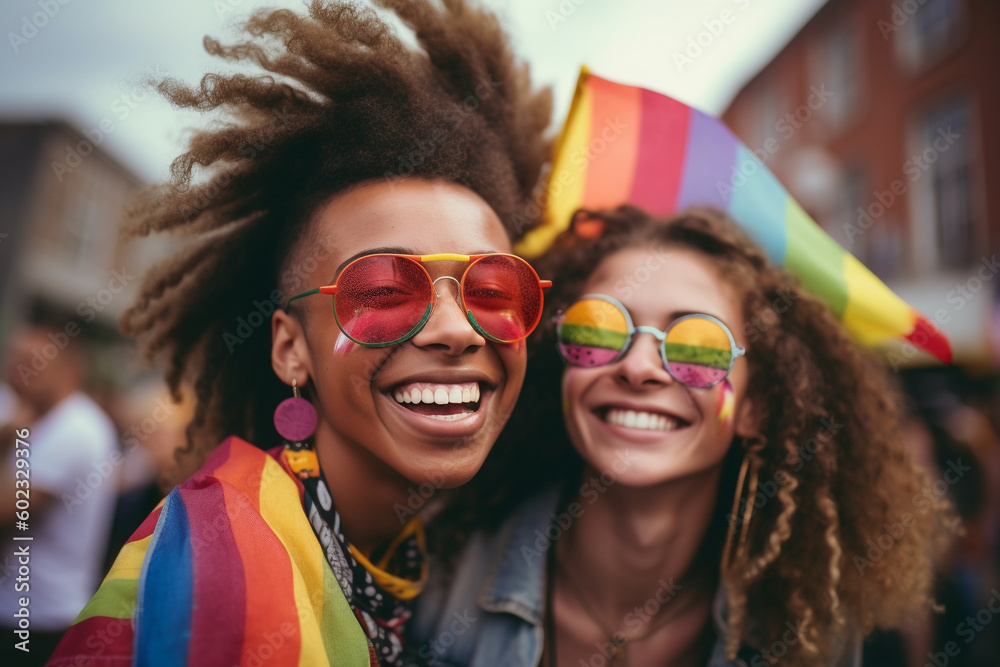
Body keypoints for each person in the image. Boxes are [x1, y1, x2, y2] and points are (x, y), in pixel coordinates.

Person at [47, 1, 552, 665]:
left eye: (493, 288)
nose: (458, 329)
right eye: (383, 290)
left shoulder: (396, 547)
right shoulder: (231, 578)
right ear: (290, 345)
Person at [411, 206, 958, 667]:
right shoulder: (435, 573)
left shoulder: (810, 638)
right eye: (599, 329)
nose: (640, 366)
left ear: (755, 407)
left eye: (698, 344)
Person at [0, 312, 118, 667]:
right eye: (15, 359)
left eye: (32, 363)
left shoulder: (75, 428)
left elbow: (7, 510)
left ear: (69, 369)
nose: (18, 372)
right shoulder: (37, 417)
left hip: (38, 616)